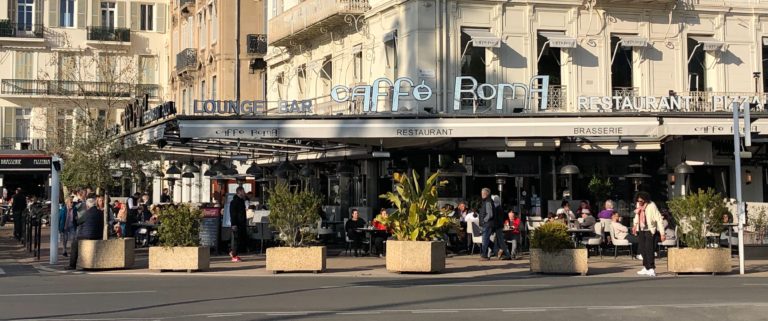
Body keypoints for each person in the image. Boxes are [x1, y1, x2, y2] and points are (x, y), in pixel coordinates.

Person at [632, 191, 665, 277]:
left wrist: (662, 233)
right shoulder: (638, 205)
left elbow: (659, 219)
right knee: (642, 249)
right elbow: (637, 216)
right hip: (641, 229)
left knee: (649, 249)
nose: (639, 202)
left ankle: (651, 268)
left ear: (645, 200)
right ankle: (646, 267)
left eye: (641, 201)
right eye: (638, 201)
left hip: (650, 230)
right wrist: (635, 226)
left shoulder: (651, 206)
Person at [68, 198, 103, 270]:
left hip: (87, 235)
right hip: (99, 235)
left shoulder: (85, 213)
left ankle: (72, 265)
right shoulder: (100, 212)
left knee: (74, 244)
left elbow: (77, 222)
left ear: (87, 206)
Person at [229, 186, 248, 262]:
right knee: (236, 240)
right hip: (237, 224)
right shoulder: (234, 202)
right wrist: (234, 224)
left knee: (240, 239)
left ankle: (233, 253)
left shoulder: (241, 201)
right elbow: (233, 214)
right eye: (243, 191)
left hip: (241, 223)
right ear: (239, 192)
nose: (244, 193)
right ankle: (234, 256)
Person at [490, 195, 511, 260]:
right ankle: (498, 253)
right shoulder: (498, 208)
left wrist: (493, 226)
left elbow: (496, 219)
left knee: (500, 241)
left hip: (497, 226)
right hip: (498, 226)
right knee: (498, 241)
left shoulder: (497, 208)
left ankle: (507, 254)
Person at [478, 188, 495, 260]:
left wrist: (484, 221)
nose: (482, 194)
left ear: (487, 194)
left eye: (483, 193)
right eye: (482, 193)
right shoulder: (485, 201)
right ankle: (498, 249)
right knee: (486, 239)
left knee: (484, 240)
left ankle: (484, 255)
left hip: (487, 224)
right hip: (486, 224)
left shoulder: (488, 201)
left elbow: (490, 214)